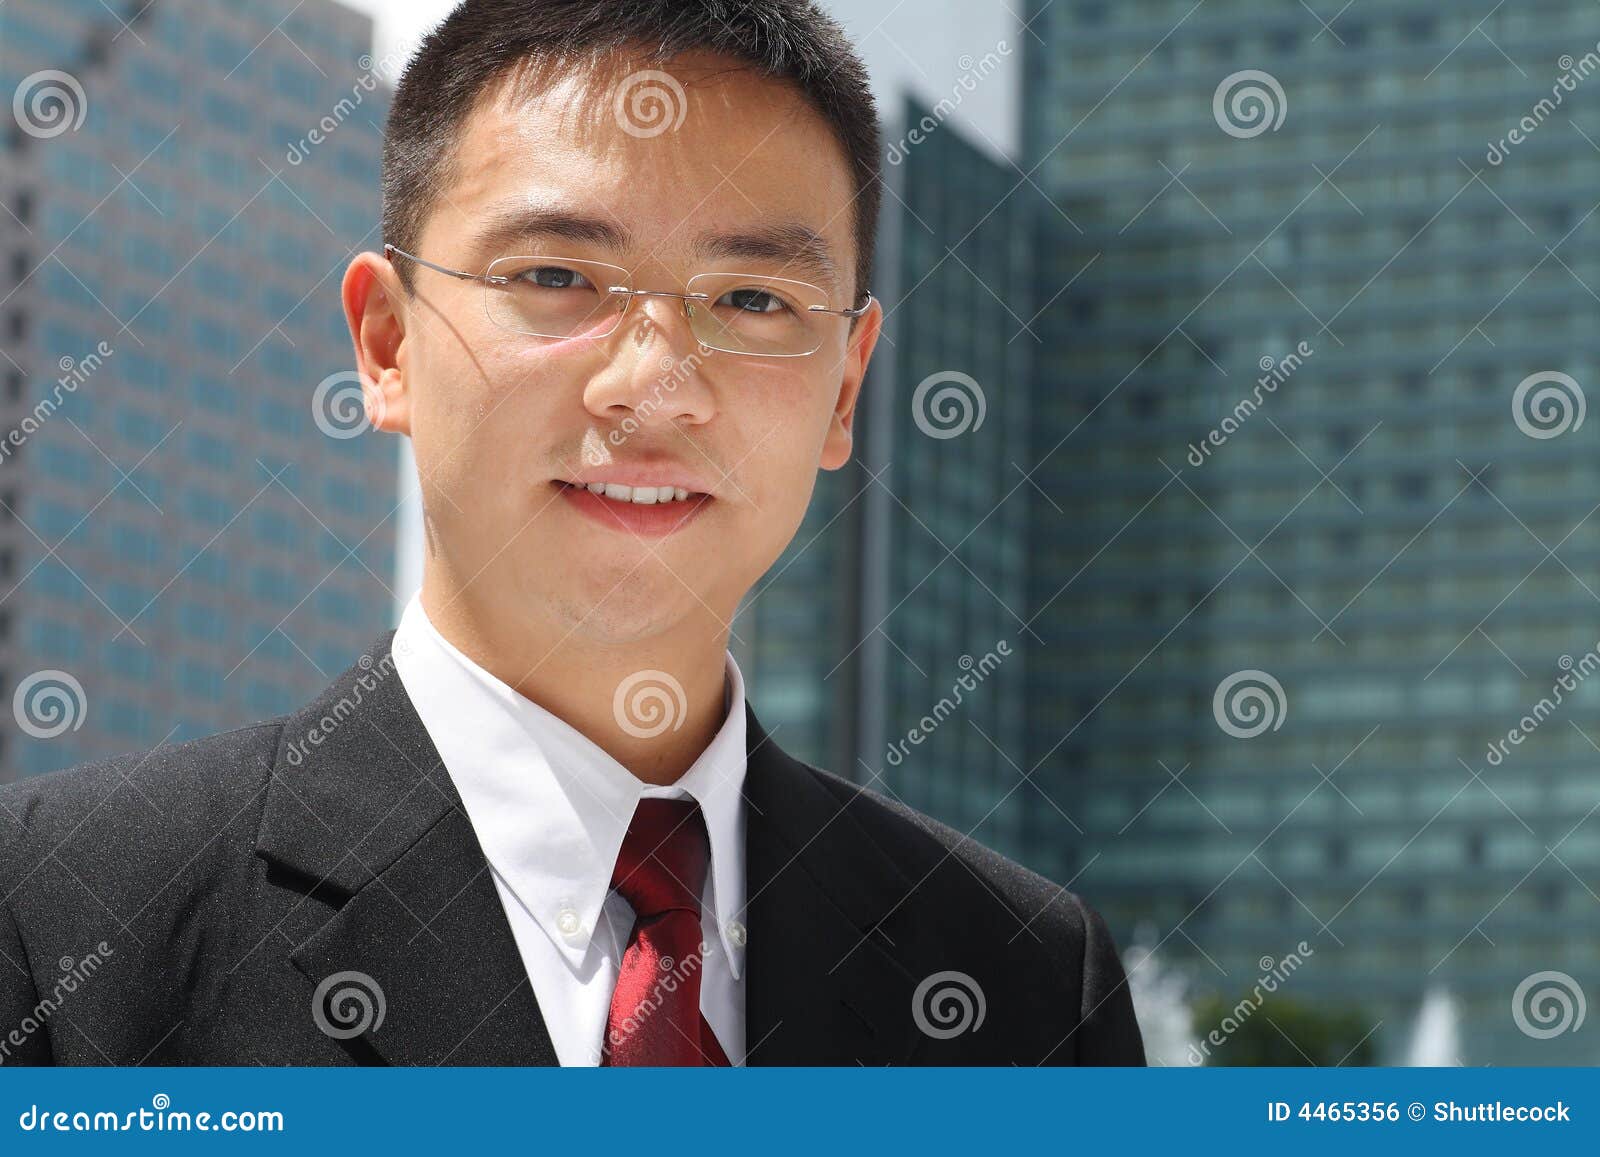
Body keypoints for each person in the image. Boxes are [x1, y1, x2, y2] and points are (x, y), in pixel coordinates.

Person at [0, 0, 1144, 1066]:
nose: (654, 385)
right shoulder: (59, 918)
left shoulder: (1032, 978)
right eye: (556, 274)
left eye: (752, 300)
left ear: (845, 389)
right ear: (389, 344)